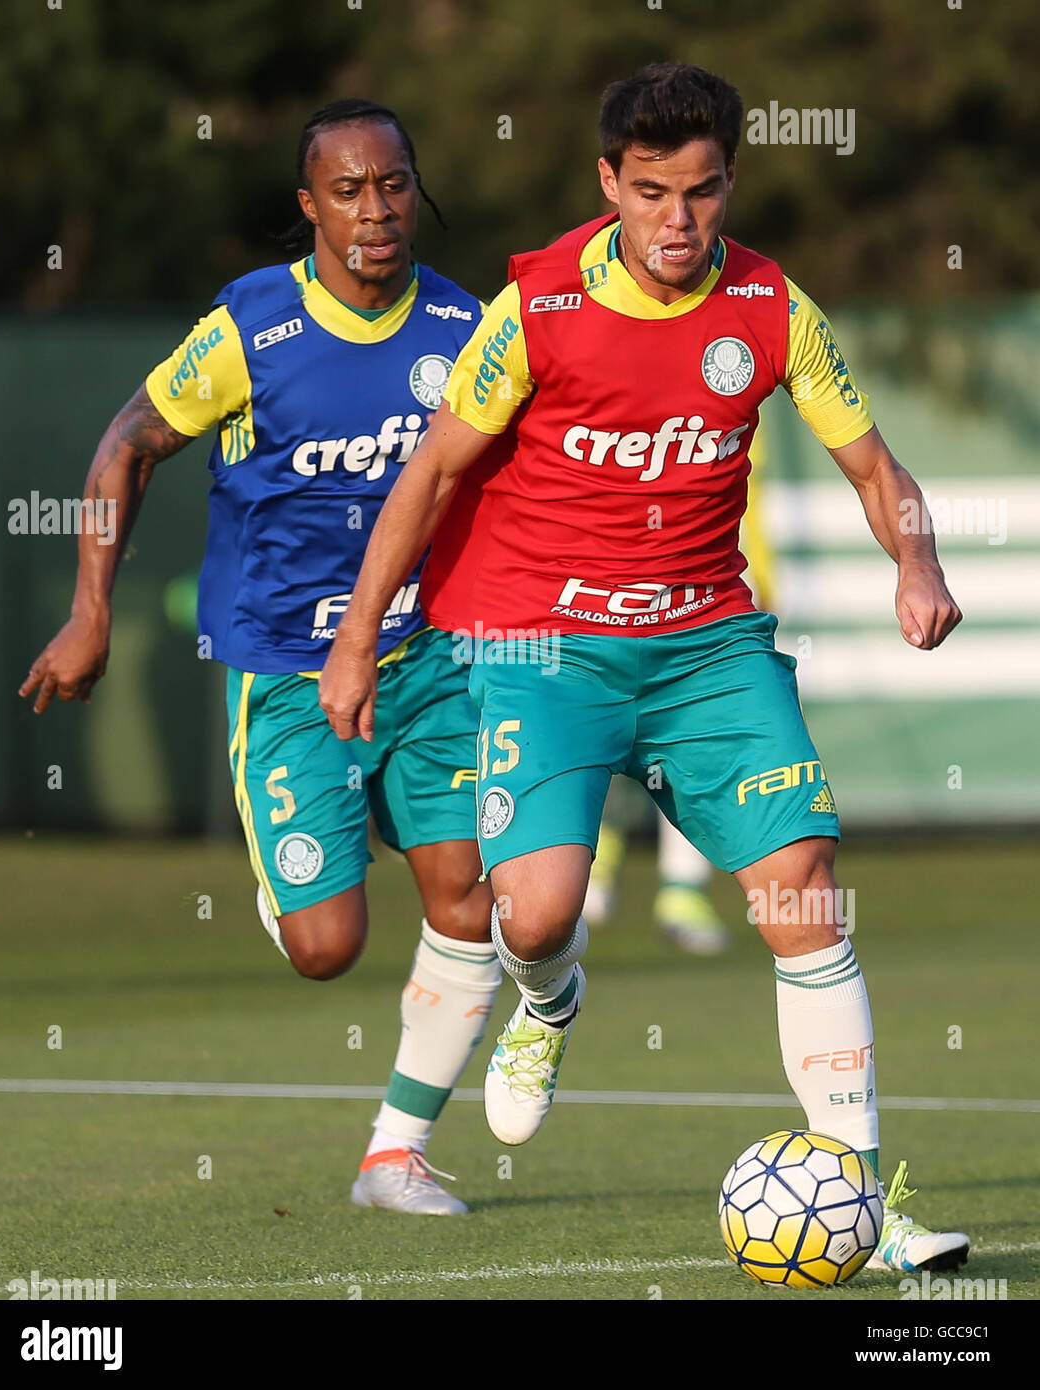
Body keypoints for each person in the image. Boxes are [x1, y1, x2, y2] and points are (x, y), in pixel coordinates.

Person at [319, 63, 971, 1272]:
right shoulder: (539, 308)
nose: (680, 222)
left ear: (732, 183)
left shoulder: (771, 306)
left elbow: (877, 472)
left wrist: (916, 565)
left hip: (704, 644)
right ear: (607, 182)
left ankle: (867, 1205)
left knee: (802, 889)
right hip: (543, 647)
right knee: (538, 914)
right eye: (654, 192)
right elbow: (433, 475)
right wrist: (358, 637)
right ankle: (551, 999)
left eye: (706, 193)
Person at [19, 99, 500, 1216]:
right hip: (287, 668)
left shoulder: (465, 327)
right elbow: (127, 443)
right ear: (309, 207)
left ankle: (394, 1154)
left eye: (392, 185)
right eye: (347, 190)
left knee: (470, 901)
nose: (375, 211)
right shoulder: (252, 328)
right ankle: (292, 872)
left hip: (425, 659)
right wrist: (92, 611)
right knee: (326, 948)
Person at [584, 427, 778, 953]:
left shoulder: (729, 370)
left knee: (698, 754)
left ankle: (682, 892)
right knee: (602, 736)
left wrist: (762, 576)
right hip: (610, 585)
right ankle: (592, 871)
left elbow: (747, 490)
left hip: (716, 587)